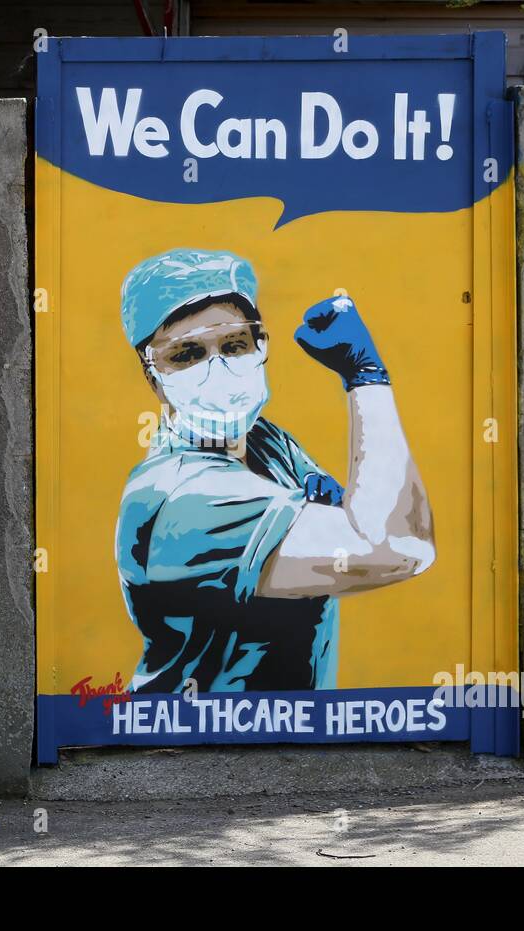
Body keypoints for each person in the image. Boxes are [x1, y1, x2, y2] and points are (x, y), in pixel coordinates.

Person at [115, 248, 436, 695]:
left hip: (284, 730)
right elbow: (399, 546)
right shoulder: (182, 496)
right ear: (153, 376)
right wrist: (366, 377)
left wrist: (346, 518)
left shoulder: (266, 442)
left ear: (260, 346)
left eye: (234, 345)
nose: (218, 369)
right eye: (187, 354)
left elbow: (378, 522)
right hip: (207, 748)